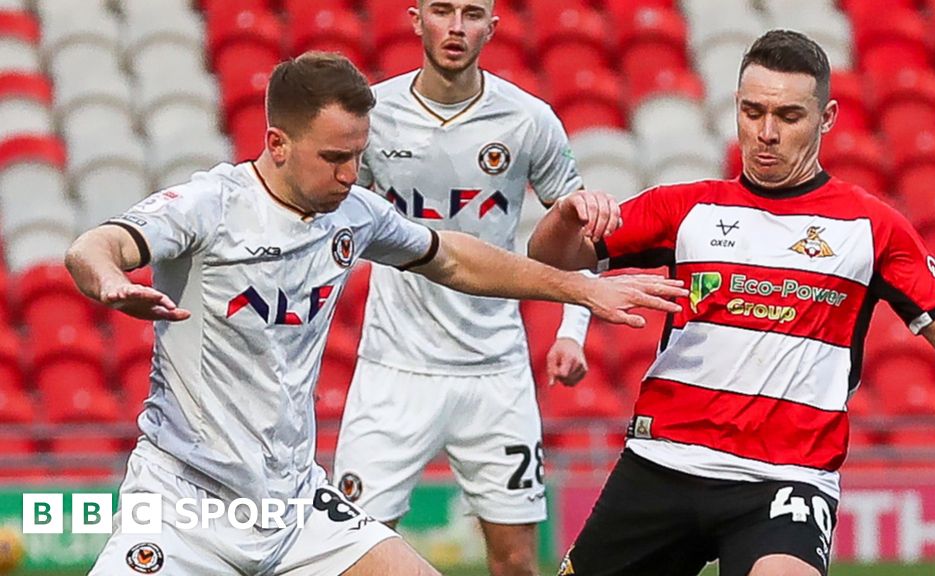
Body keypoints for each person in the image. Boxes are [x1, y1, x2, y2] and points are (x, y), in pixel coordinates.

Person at [64, 51, 686, 576]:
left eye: (358, 156)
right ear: (277, 143)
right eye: (333, 157)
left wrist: (581, 290)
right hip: (185, 501)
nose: (349, 173)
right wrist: (110, 280)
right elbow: (94, 245)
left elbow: (456, 259)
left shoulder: (352, 212)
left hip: (293, 499)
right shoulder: (209, 205)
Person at [528, 30, 935, 576]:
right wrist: (564, 217)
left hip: (784, 481)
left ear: (827, 117)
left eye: (788, 116)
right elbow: (553, 256)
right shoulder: (687, 207)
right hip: (662, 463)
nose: (765, 133)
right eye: (752, 111)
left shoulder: (871, 227)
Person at [331, 1, 595, 574]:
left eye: (472, 13)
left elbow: (579, 232)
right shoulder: (373, 116)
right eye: (443, 11)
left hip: (494, 372)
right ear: (415, 18)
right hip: (392, 370)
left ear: (492, 27)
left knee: (517, 561)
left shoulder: (528, 119)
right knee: (348, 553)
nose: (456, 27)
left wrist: (574, 332)